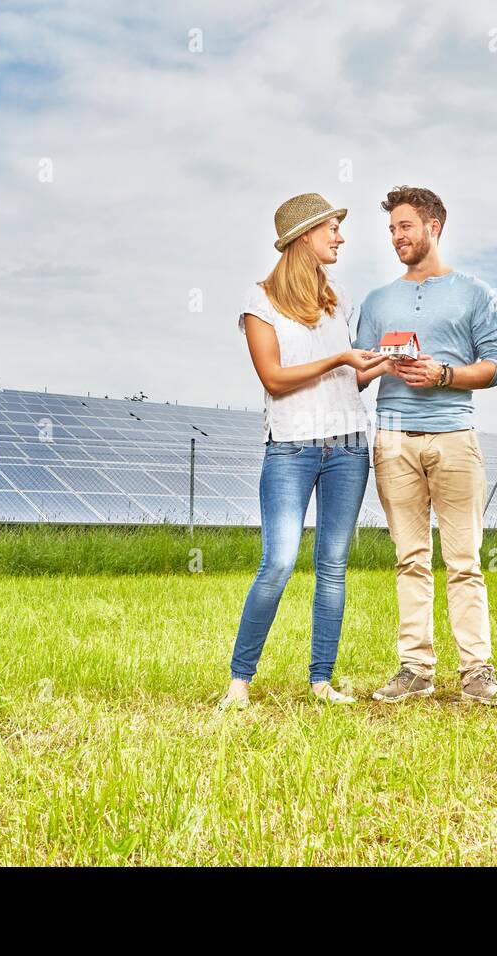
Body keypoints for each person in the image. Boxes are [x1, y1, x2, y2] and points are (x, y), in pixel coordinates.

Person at [219, 193, 391, 709]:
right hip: (290, 450)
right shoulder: (260, 302)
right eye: (332, 229)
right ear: (303, 237)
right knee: (279, 561)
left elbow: (348, 382)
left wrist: (377, 366)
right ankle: (239, 682)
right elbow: (273, 379)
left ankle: (321, 682)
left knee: (333, 566)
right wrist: (340, 356)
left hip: (347, 449)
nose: (340, 237)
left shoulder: (338, 301)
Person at [353, 185, 497, 705]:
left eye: (405, 227)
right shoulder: (377, 301)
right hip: (393, 441)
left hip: (454, 438)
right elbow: (355, 375)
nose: (397, 237)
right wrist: (382, 361)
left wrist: (444, 373)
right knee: (410, 558)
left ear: (433, 227)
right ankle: (416, 669)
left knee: (464, 561)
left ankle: (477, 672)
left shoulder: (476, 294)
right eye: (392, 230)